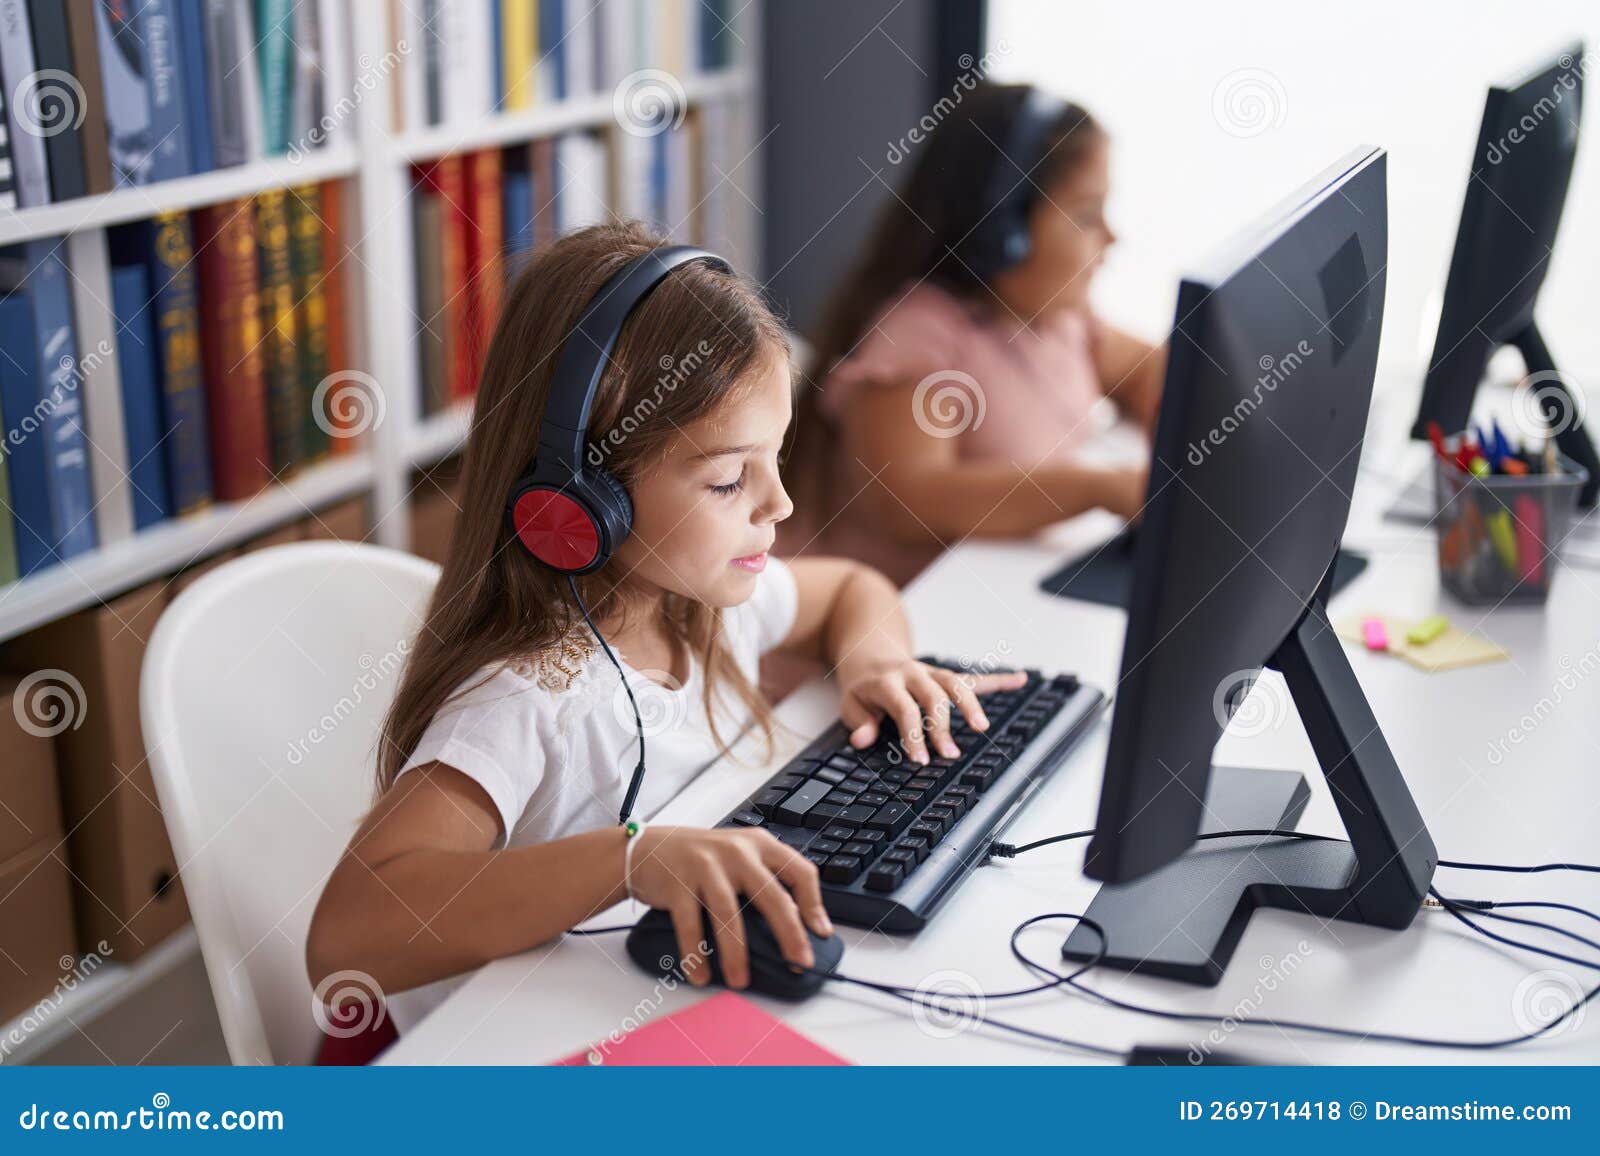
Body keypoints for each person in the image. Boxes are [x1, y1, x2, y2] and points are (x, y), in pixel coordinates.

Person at [305, 223, 1027, 1030]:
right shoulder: (533, 694)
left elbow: (853, 590)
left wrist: (872, 664)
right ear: (582, 504)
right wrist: (631, 860)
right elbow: (348, 936)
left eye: (776, 457)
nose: (779, 504)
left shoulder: (706, 609)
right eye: (727, 480)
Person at [785, 84, 1164, 586]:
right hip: (885, 625)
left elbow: (1149, 370)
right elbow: (911, 499)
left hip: (992, 594)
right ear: (1003, 231)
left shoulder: (1061, 321)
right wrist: (1098, 488)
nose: (1111, 238)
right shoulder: (918, 337)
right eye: (1088, 215)